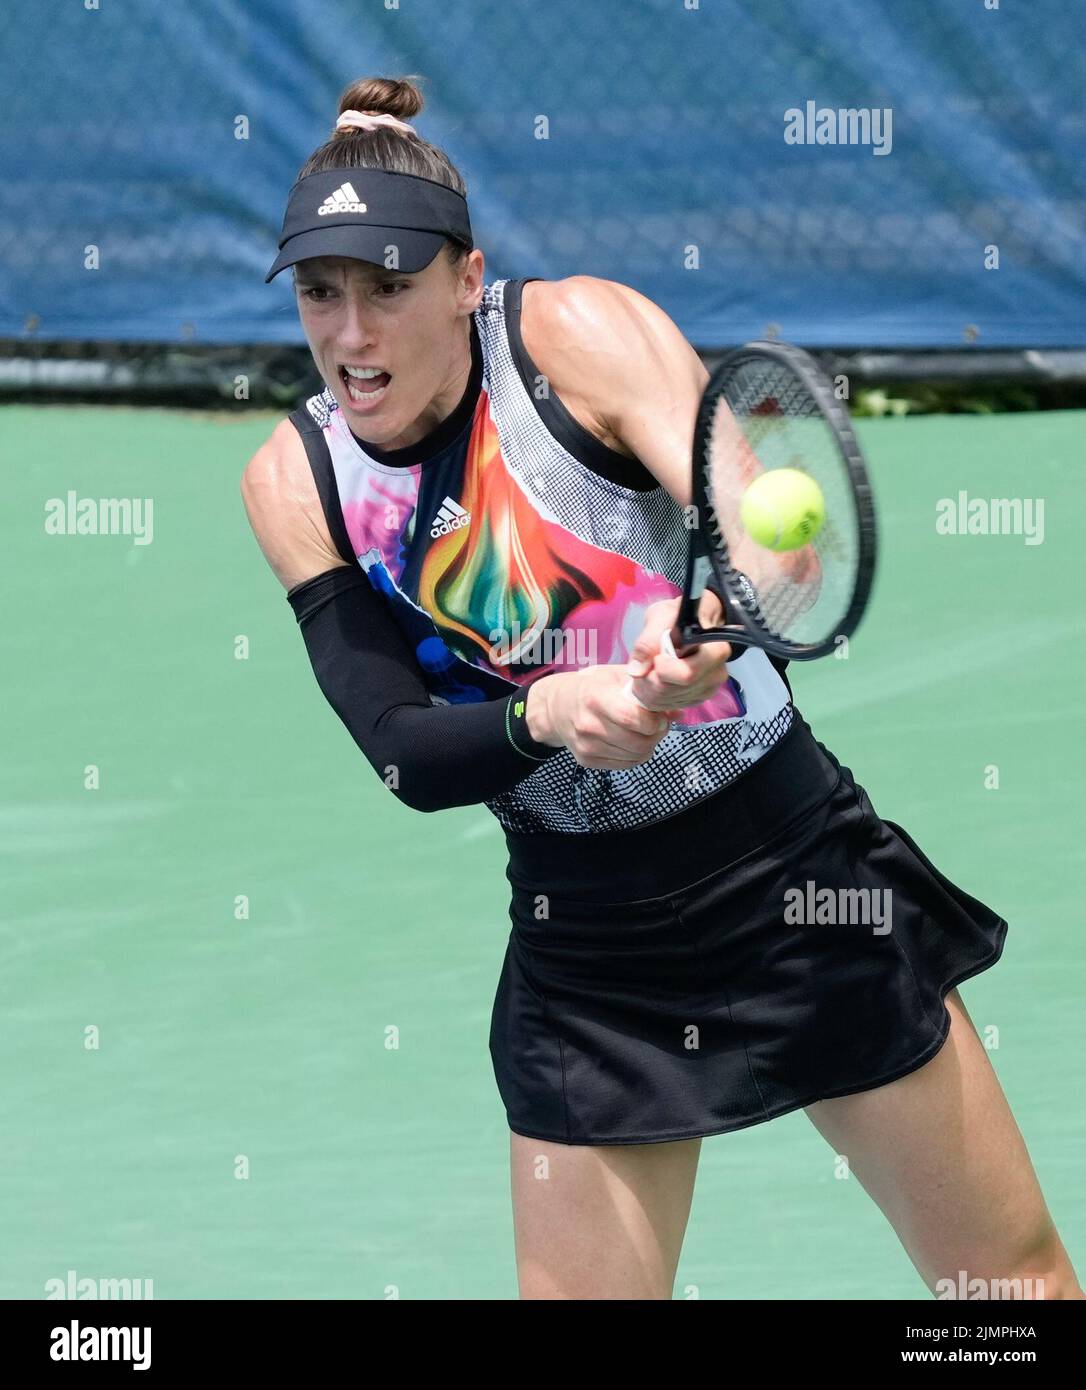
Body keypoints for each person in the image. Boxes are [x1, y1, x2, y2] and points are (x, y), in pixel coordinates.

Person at [241, 75, 1081, 1301]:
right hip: (587, 949)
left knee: (1008, 1293)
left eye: (389, 288)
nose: (353, 334)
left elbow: (777, 554)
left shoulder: (579, 337)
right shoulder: (296, 482)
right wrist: (552, 714)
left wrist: (716, 628)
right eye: (323, 295)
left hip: (795, 878)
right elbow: (403, 751)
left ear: (467, 279)